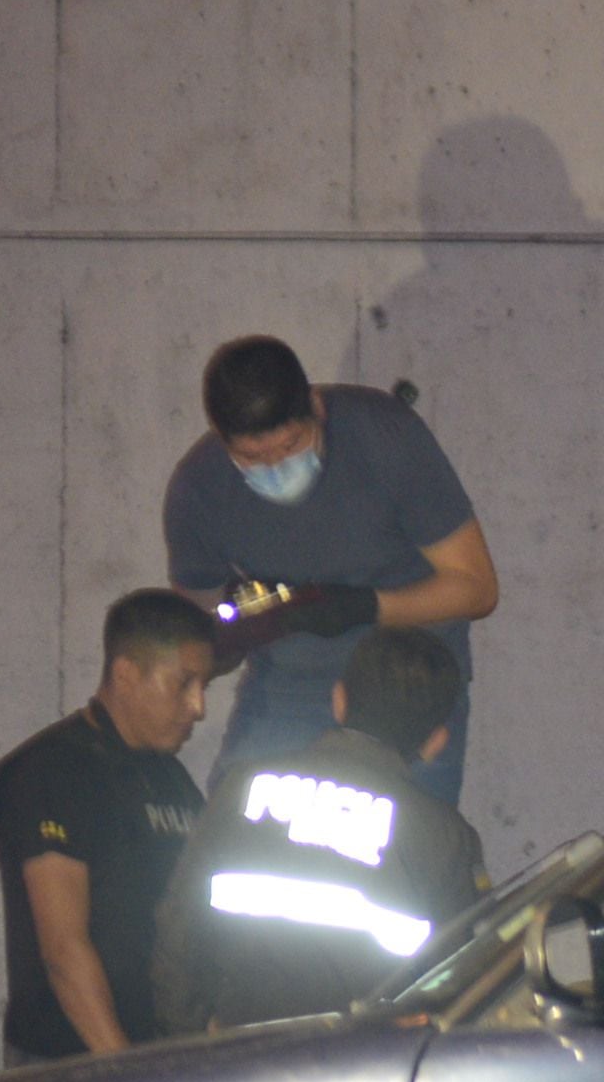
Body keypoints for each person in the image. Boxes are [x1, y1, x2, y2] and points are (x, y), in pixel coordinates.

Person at [166, 333, 500, 798]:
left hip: (405, 687)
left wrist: (364, 607)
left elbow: (476, 588)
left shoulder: (385, 439)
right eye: (252, 458)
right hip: (287, 690)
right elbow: (200, 627)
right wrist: (241, 623)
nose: (275, 466)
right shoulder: (200, 490)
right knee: (242, 826)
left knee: (406, 847)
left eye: (290, 445)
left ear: (317, 409)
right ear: (222, 442)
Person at [150, 626, 488, 1033]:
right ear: (436, 742)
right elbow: (457, 980)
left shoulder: (243, 785)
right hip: (362, 1073)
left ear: (339, 700)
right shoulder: (444, 835)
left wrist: (195, 1036)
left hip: (237, 1064)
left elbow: (178, 930)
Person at [0, 590, 214, 1061]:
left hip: (160, 1057)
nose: (199, 706)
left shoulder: (171, 780)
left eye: (203, 686)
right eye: (185, 683)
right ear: (127, 675)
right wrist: (121, 1069)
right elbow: (65, 949)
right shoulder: (50, 772)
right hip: (69, 1067)